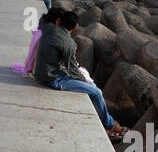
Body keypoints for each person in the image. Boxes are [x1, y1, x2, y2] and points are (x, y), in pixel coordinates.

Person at [32, 10, 125, 140]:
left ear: (59, 21)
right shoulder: (68, 43)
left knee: (90, 85)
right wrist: (84, 80)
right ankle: (110, 125)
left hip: (41, 72)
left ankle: (105, 123)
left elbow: (43, 18)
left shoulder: (48, 27)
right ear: (74, 27)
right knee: (96, 92)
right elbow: (72, 70)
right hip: (52, 78)